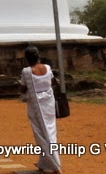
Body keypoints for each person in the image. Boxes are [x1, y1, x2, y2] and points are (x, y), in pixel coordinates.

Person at [19, 46, 63, 174]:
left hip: (36, 105)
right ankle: (43, 163)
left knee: (41, 134)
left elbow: (22, 89)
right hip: (49, 103)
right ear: (38, 56)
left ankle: (55, 165)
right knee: (50, 131)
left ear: (26, 59)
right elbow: (53, 82)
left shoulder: (27, 72)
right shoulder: (48, 68)